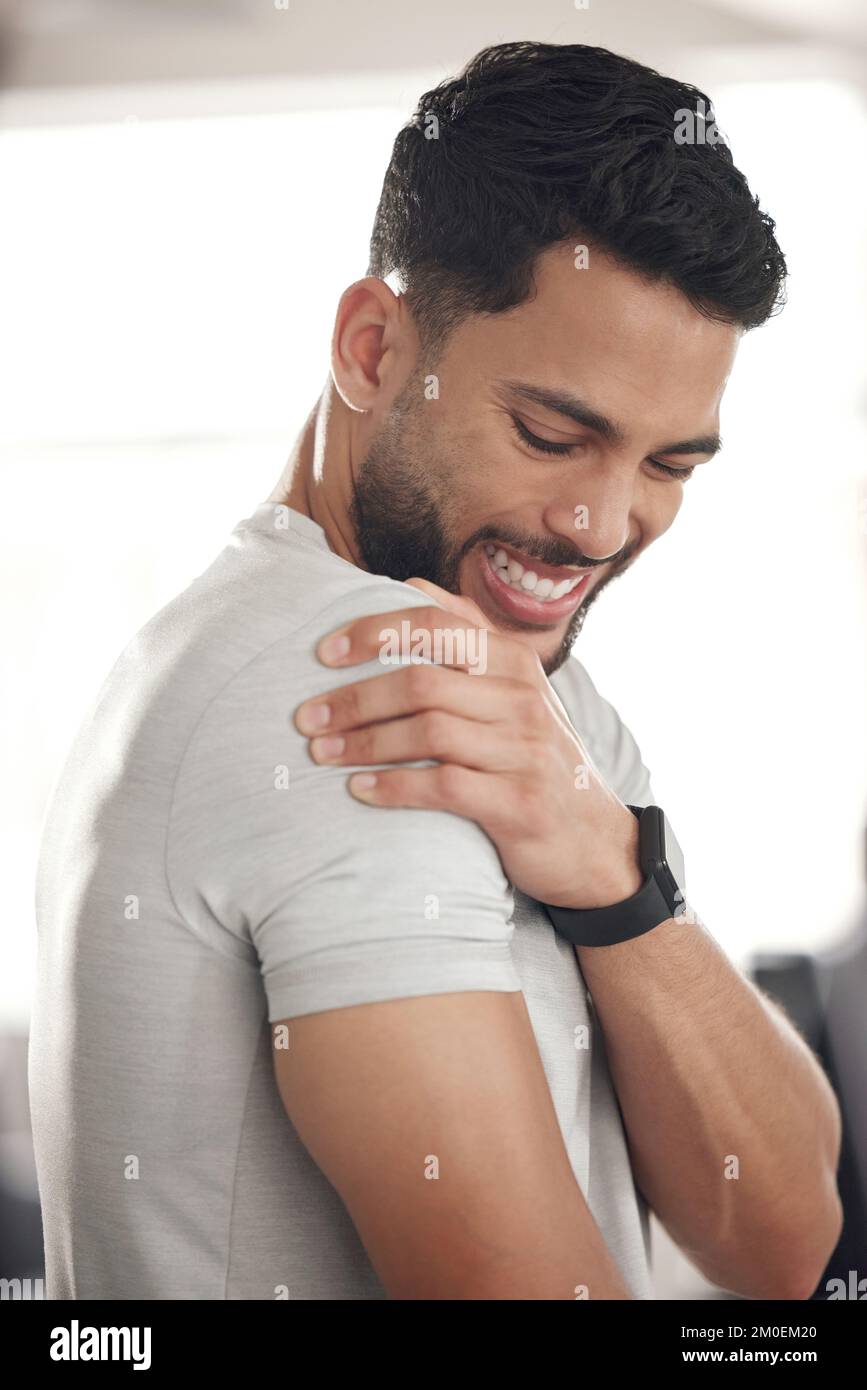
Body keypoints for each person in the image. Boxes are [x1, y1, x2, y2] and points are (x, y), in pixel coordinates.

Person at [30, 41, 842, 1301]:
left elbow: (784, 1240)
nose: (601, 526)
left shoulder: (531, 694)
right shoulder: (350, 684)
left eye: (667, 466)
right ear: (372, 348)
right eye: (551, 434)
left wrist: (616, 874)